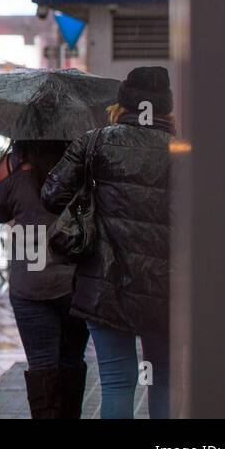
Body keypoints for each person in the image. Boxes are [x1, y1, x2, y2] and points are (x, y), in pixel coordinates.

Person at [42, 66, 175, 419]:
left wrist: (92, 190)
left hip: (105, 282)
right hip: (166, 285)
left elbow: (52, 194)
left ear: (123, 103)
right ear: (167, 107)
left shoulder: (95, 141)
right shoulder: (185, 150)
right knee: (164, 380)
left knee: (117, 380)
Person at [0, 139, 88, 418]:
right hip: (75, 279)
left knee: (41, 363)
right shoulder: (80, 159)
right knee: (71, 360)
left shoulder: (12, 164)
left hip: (29, 284)